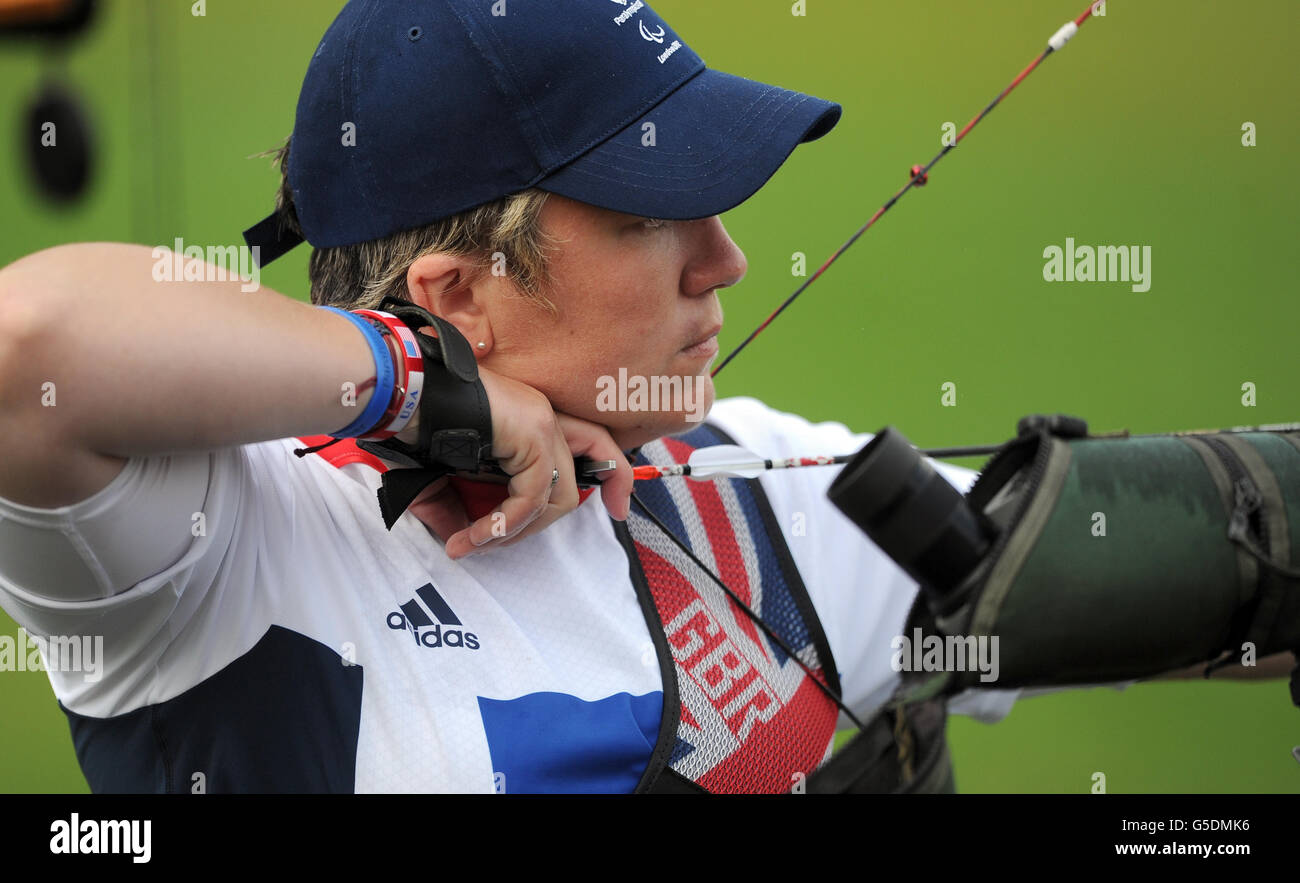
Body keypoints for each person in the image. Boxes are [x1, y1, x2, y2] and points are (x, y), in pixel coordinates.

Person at [0, 0, 1289, 794]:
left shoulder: (765, 494)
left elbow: (1237, 564)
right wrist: (410, 386)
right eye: (649, 212)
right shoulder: (227, 546)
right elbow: (29, 348)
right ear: (459, 296)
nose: (723, 259)